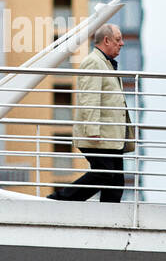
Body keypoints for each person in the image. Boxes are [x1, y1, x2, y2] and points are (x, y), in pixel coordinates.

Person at [47, 23, 135, 203]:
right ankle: (60, 200)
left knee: (115, 182)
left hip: (111, 137)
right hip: (99, 135)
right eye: (118, 40)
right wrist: (93, 128)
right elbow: (90, 98)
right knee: (104, 175)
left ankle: (109, 217)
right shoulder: (93, 62)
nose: (122, 44)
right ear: (106, 40)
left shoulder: (105, 63)